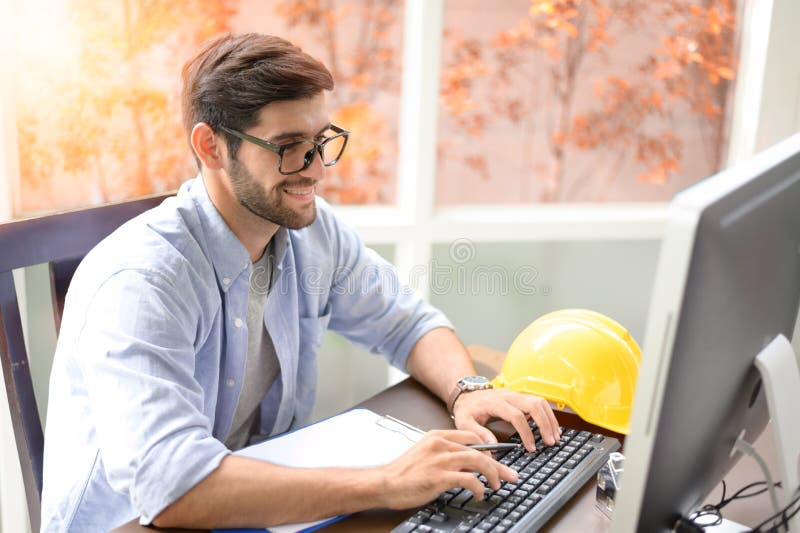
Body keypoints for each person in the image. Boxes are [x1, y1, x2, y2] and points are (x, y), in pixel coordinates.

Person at [40, 33, 560, 532]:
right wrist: (383, 483)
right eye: (289, 146)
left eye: (321, 141)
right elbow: (173, 485)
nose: (315, 170)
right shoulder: (142, 282)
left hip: (256, 505)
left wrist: (467, 390)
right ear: (211, 146)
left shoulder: (311, 231)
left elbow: (407, 323)